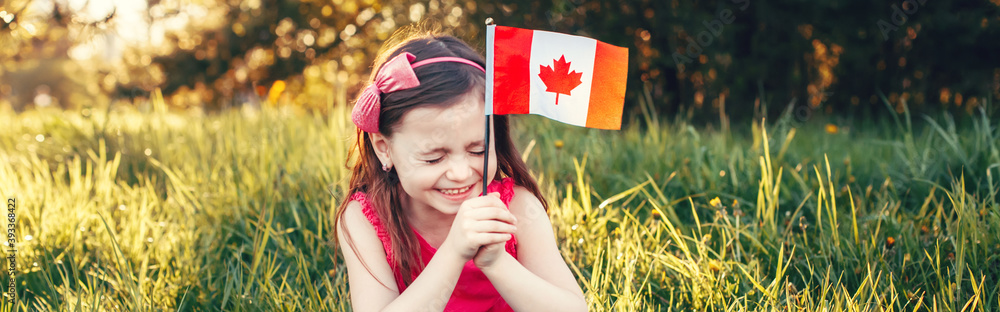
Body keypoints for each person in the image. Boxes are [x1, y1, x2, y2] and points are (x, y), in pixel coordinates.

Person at [333, 30, 587, 312]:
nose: (460, 172)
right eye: (433, 158)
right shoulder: (366, 219)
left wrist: (497, 263)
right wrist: (453, 252)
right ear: (383, 148)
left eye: (477, 151)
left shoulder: (516, 207)